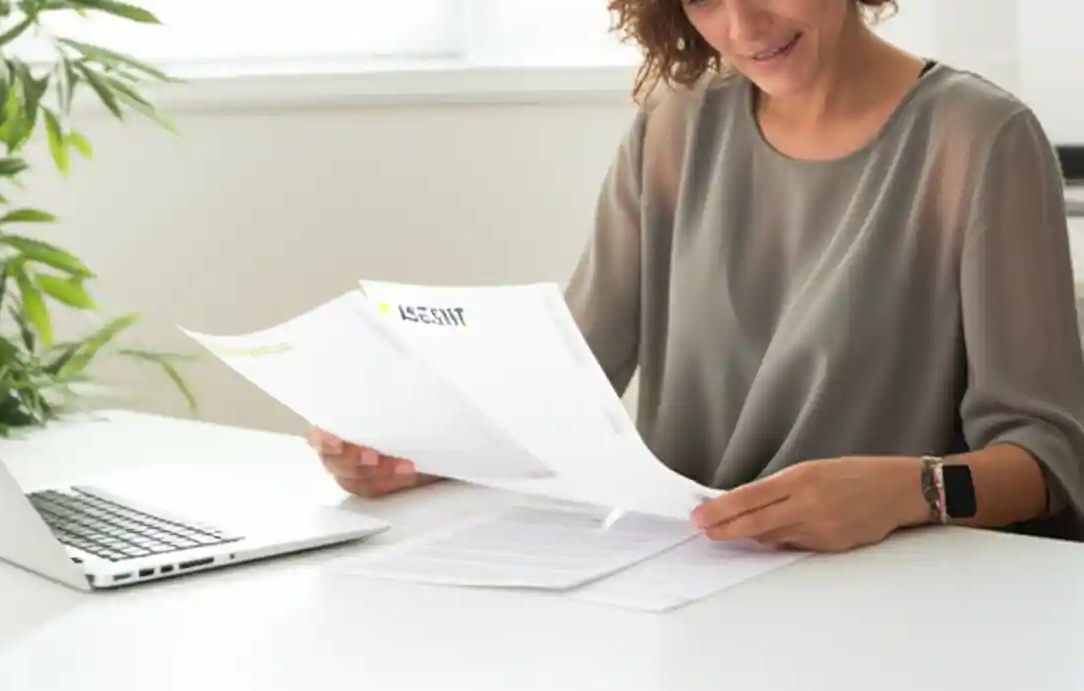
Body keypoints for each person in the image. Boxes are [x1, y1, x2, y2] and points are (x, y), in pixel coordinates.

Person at [308, 0, 1084, 550]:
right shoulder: (676, 128)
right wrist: (412, 455)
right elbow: (566, 383)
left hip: (885, 594)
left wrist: (912, 492)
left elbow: (1050, 462)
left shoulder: (978, 140)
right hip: (678, 578)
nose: (743, 28)